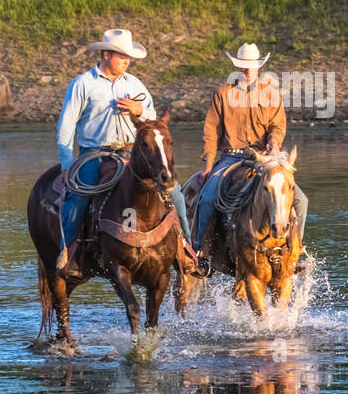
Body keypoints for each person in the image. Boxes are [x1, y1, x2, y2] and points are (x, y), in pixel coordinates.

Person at [55, 29, 197, 274]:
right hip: (94, 154)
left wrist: (139, 110)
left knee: (175, 194)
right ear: (107, 54)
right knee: (78, 198)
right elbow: (66, 125)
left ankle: (186, 249)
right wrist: (67, 163)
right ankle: (69, 252)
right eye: (123, 56)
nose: (127, 61)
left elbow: (155, 125)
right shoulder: (82, 84)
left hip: (133, 153)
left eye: (129, 57)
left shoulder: (134, 84)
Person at [192, 43, 310, 275]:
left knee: (301, 200)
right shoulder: (222, 94)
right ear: (237, 66)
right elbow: (211, 131)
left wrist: (273, 141)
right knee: (206, 198)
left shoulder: (271, 95)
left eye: (251, 67)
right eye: (243, 66)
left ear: (258, 67)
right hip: (230, 158)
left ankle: (294, 253)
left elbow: (277, 125)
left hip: (264, 158)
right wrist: (208, 165)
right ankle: (200, 253)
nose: (247, 70)